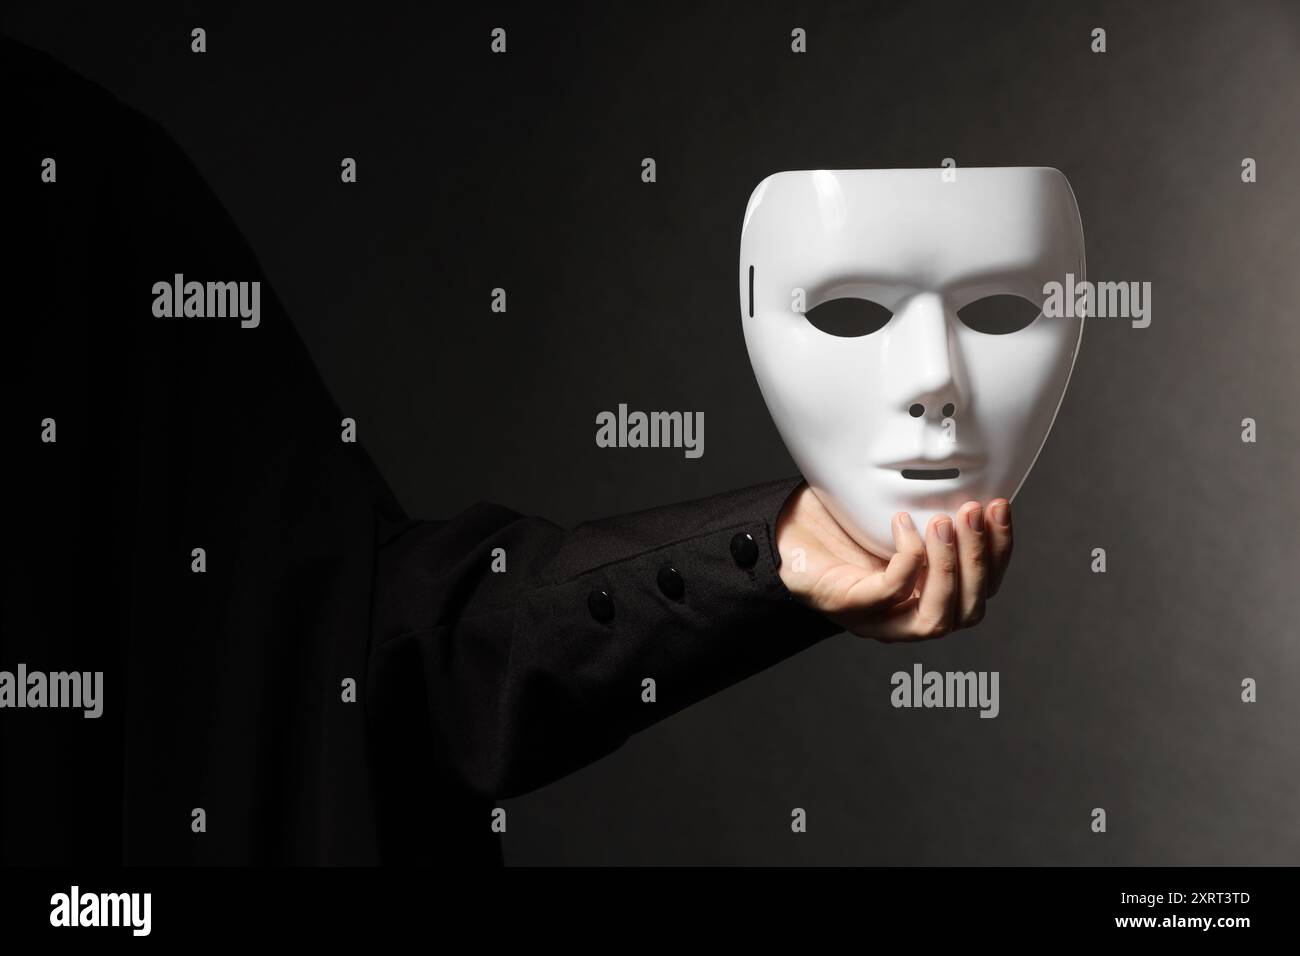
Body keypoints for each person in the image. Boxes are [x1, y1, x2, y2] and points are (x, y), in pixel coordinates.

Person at [0, 36, 1012, 866]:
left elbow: (353, 657)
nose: (936, 373)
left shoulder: (61, 168)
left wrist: (773, 549)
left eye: (993, 309)